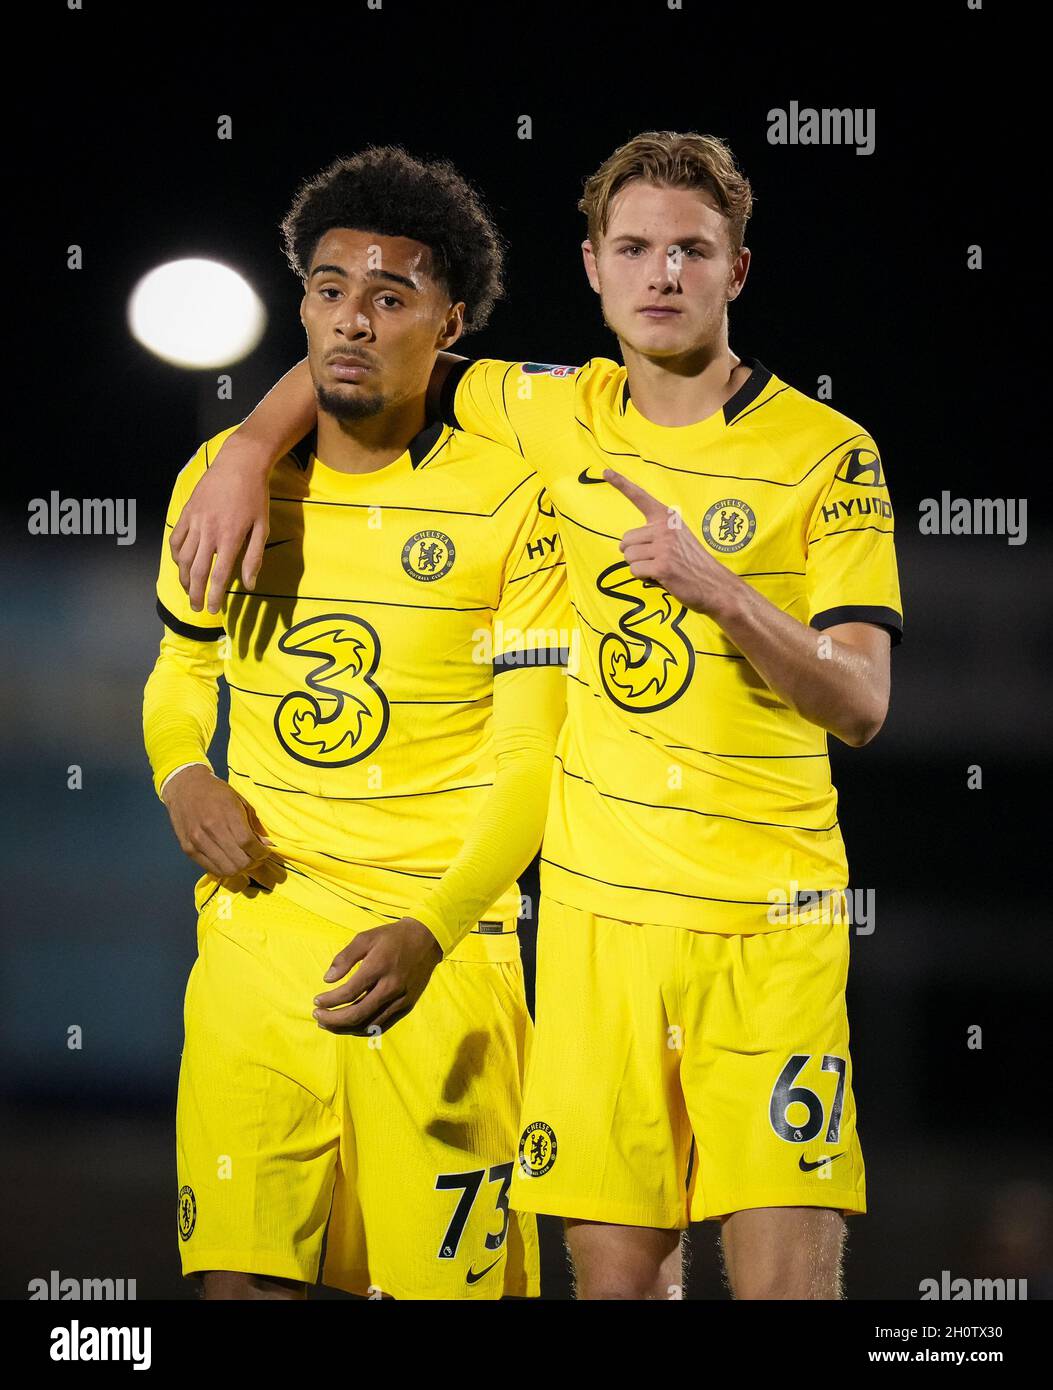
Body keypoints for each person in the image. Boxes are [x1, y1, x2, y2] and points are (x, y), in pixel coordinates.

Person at [166, 130, 902, 1299]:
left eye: (691, 251)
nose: (663, 273)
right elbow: (366, 348)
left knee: (783, 1290)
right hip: (598, 928)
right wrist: (249, 446)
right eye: (635, 248)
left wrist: (718, 588)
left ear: (738, 272)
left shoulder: (827, 452)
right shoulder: (546, 410)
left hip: (770, 922)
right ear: (595, 269)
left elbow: (860, 699)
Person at [142, 146, 572, 1299]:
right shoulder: (225, 482)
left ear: (453, 321)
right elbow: (179, 676)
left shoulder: (514, 503)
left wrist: (434, 926)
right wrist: (183, 771)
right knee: (239, 1286)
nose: (352, 321)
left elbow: (535, 758)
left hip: (441, 962)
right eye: (330, 291)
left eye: (391, 297)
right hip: (253, 947)